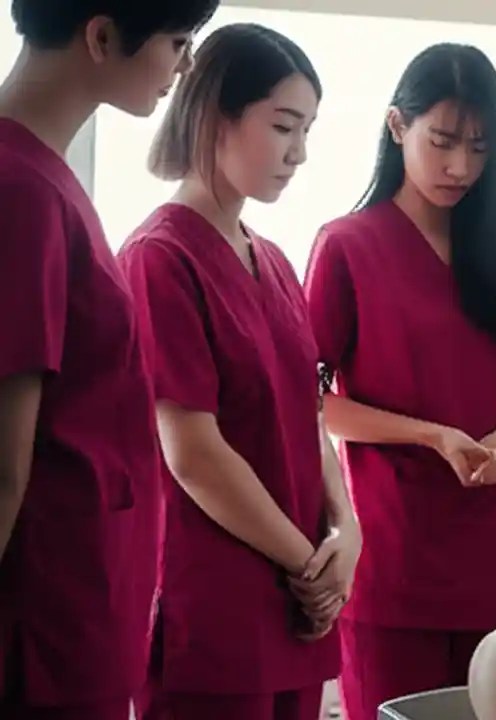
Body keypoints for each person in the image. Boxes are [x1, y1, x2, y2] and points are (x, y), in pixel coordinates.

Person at [302, 42, 496, 720]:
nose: (460, 167)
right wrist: (432, 435)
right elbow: (315, 404)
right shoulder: (346, 246)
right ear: (398, 127)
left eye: (480, 148)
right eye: (444, 141)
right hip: (394, 549)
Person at [118, 23, 354, 720]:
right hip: (215, 607)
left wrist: (346, 531)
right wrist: (307, 562)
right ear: (217, 115)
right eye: (284, 127)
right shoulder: (160, 257)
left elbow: (307, 416)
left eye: (307, 130)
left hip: (296, 607)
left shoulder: (273, 261)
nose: (299, 153)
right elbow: (192, 451)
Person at [0, 1, 217, 717]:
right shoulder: (20, 189)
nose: (184, 66)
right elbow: (3, 470)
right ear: (100, 36)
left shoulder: (44, 177)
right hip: (43, 634)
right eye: (179, 41)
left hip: (82, 612)